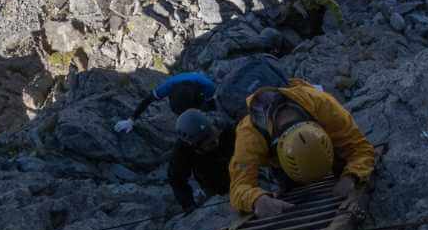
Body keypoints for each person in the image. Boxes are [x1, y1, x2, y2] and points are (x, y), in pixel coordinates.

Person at [227, 81, 377, 216]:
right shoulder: (250, 135)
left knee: (343, 162)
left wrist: (351, 176)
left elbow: (361, 148)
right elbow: (239, 186)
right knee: (289, 188)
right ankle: (289, 181)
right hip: (280, 164)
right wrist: (257, 200)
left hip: (322, 136)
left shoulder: (321, 104)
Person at [167, 109, 236, 212]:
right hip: (212, 182)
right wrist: (188, 204)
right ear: (195, 147)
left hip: (240, 169)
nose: (216, 142)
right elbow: (177, 180)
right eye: (211, 143)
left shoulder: (225, 128)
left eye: (215, 136)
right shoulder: (182, 152)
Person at [114, 70, 216, 134]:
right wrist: (131, 120)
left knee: (202, 111)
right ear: (169, 95)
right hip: (187, 88)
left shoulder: (208, 86)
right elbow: (147, 100)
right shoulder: (167, 87)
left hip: (197, 91)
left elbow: (210, 103)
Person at [278, 0, 342, 37]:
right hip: (307, 2)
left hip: (316, 5)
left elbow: (333, 6)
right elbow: (289, 1)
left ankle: (317, 32)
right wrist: (285, 14)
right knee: (308, 15)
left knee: (316, 18)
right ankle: (314, 28)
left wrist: (340, 22)